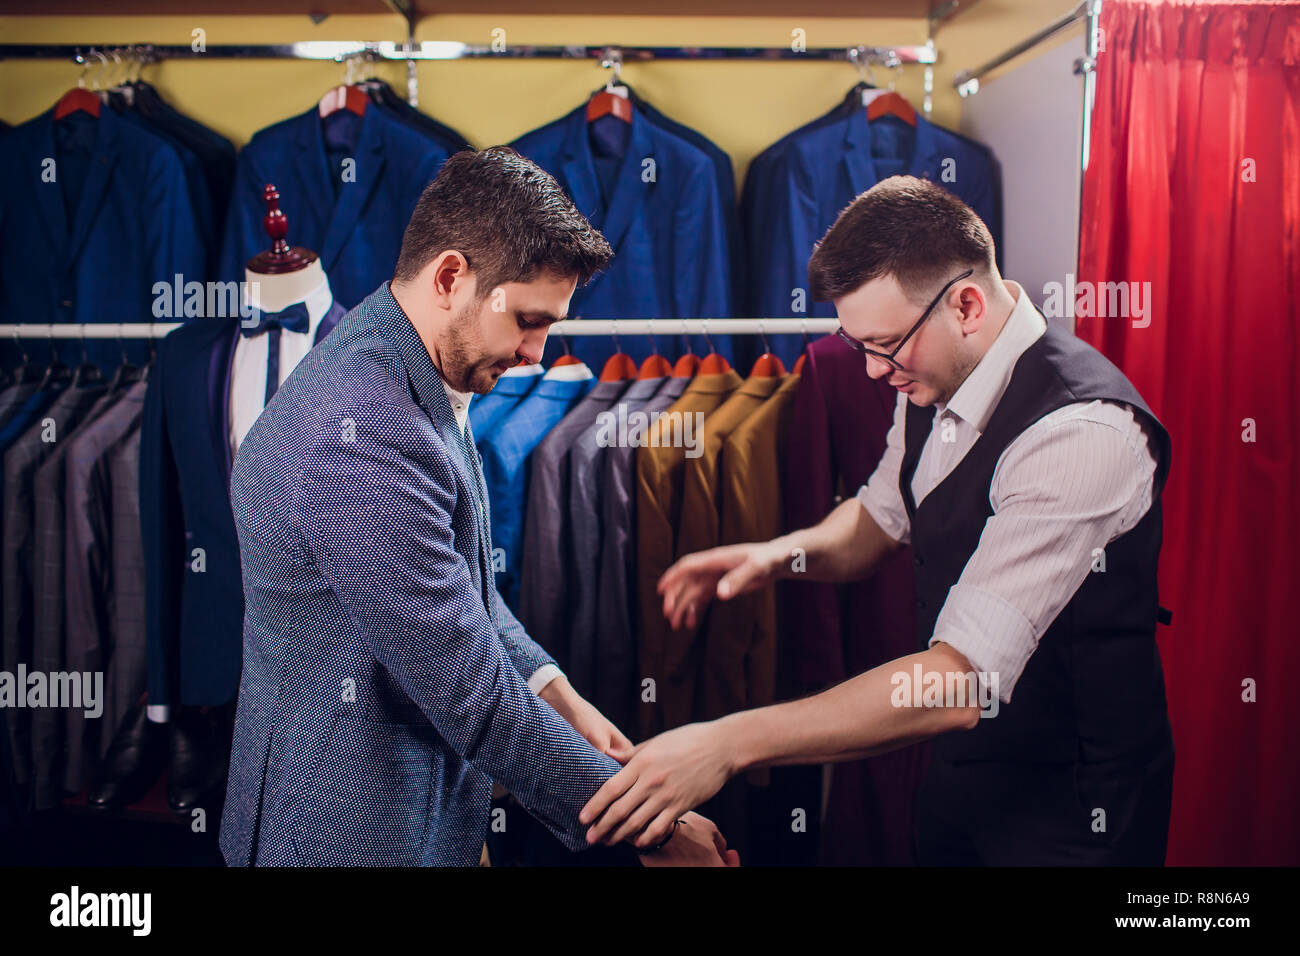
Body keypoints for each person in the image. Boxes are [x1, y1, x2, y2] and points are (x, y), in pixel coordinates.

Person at [581, 175, 1175, 866]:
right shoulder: (933, 367)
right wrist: (780, 555)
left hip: (1075, 812)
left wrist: (727, 744)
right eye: (858, 342)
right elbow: (880, 514)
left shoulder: (1082, 433)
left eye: (885, 344)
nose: (870, 370)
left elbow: (959, 681)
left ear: (967, 306)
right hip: (960, 782)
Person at [218, 146, 737, 867]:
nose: (538, 352)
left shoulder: (409, 357)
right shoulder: (363, 435)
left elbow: (461, 590)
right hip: (347, 829)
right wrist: (652, 825)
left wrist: (559, 695)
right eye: (528, 319)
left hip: (421, 811)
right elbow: (473, 697)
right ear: (452, 276)